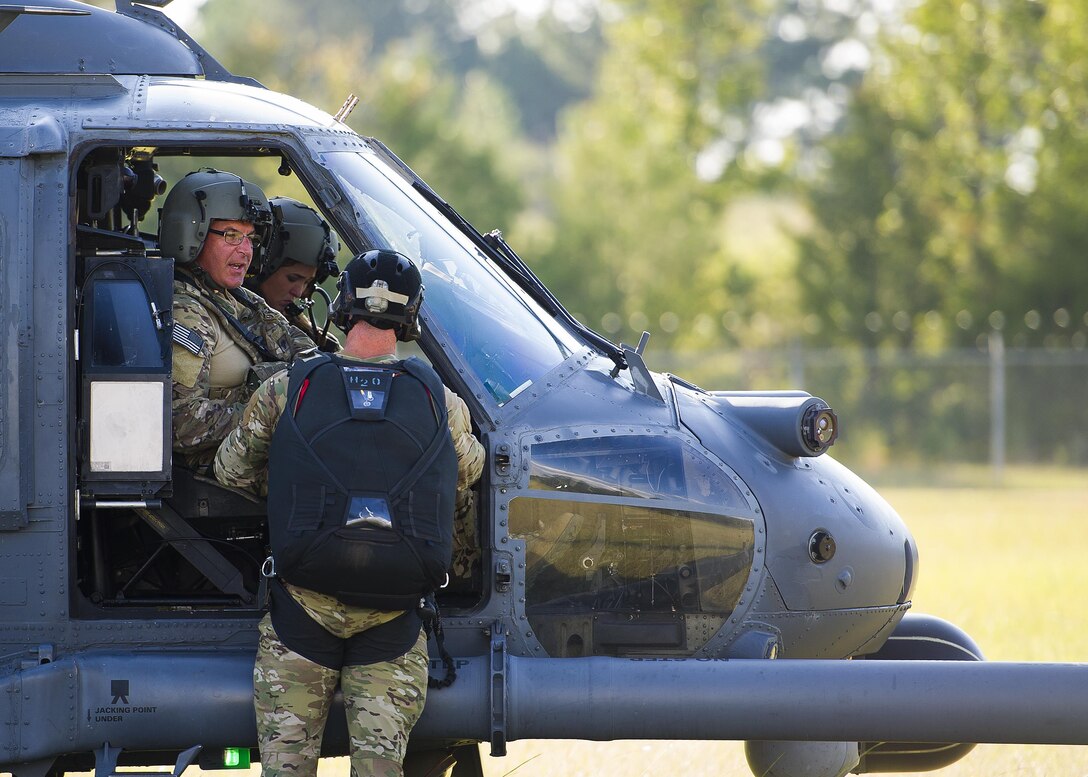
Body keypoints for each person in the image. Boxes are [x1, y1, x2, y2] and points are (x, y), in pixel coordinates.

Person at [214, 249, 484, 777]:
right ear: (410, 317)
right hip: (394, 618)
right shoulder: (437, 399)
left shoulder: (290, 387)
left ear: (343, 305)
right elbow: (467, 471)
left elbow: (230, 471)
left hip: (301, 612)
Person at [160, 169, 319, 470]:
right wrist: (267, 408)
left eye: (250, 238)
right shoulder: (186, 313)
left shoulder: (236, 298)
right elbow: (180, 423)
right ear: (192, 234)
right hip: (215, 468)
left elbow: (304, 352)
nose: (245, 251)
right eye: (231, 235)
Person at [245, 196, 341, 351]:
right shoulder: (225, 320)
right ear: (261, 266)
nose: (298, 292)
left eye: (307, 282)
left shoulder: (314, 338)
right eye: (293, 278)